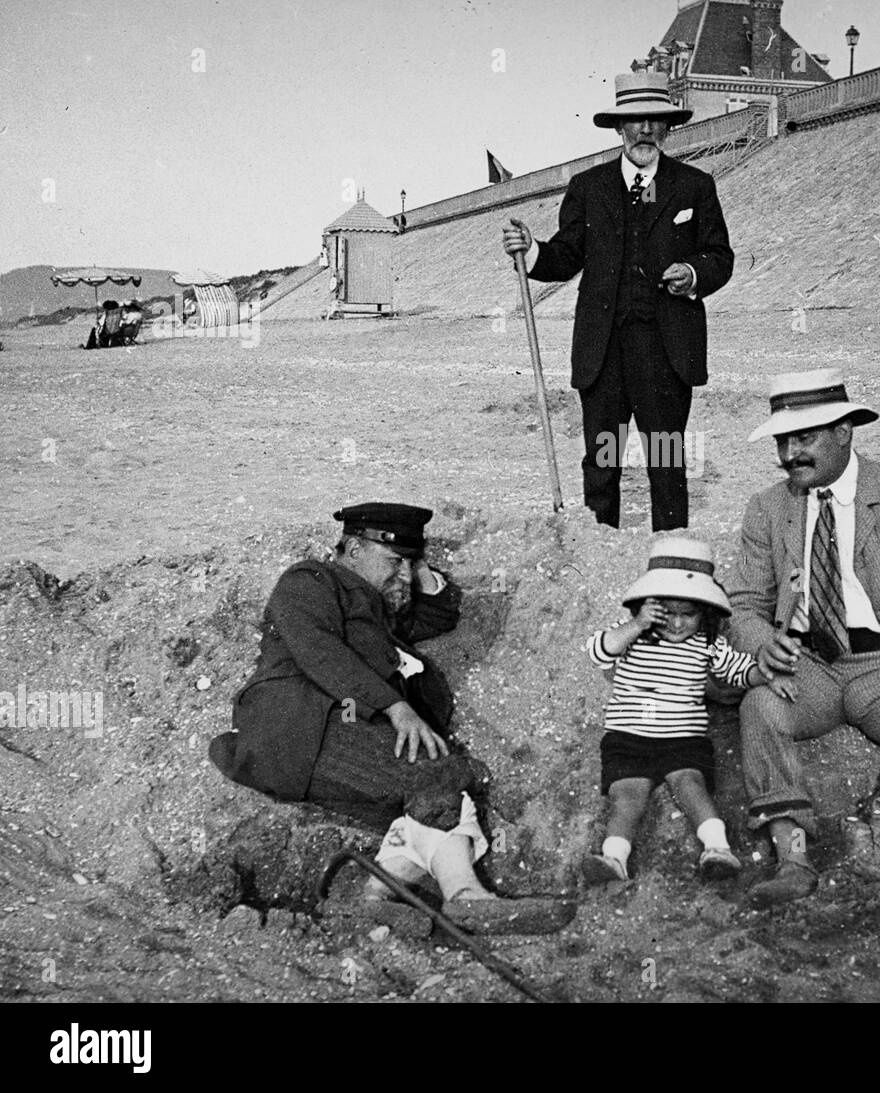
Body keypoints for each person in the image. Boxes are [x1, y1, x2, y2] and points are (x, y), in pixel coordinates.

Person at [208, 502, 566, 932]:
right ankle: (465, 897)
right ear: (354, 548)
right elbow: (320, 651)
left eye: (408, 562)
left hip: (332, 735)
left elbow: (436, 616)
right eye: (393, 560)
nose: (401, 572)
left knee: (433, 794)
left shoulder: (373, 610)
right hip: (297, 729)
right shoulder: (309, 581)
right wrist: (395, 706)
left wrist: (415, 571)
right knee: (434, 773)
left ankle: (372, 897)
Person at [728, 368, 880, 928]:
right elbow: (744, 602)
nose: (791, 454)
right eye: (783, 441)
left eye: (804, 438)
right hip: (809, 665)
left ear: (844, 431)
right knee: (760, 705)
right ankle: (793, 861)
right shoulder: (768, 507)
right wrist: (764, 646)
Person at [500, 70, 734, 532]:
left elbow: (720, 256)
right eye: (634, 121)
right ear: (618, 128)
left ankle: (670, 557)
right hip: (602, 354)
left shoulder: (694, 186)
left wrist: (691, 273)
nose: (644, 130)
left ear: (668, 127)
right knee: (603, 460)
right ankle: (598, 551)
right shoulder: (589, 188)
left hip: (665, 354)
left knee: (666, 460)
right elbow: (566, 257)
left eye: (654, 121)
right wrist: (531, 251)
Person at [582, 537, 791, 885]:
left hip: (683, 740)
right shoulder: (633, 638)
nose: (677, 624)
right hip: (628, 739)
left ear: (704, 613)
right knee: (627, 795)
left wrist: (765, 674)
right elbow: (598, 651)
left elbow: (737, 670)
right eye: (667, 614)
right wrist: (635, 626)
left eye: (687, 614)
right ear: (647, 608)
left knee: (692, 786)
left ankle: (718, 849)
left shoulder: (707, 645)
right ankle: (614, 858)